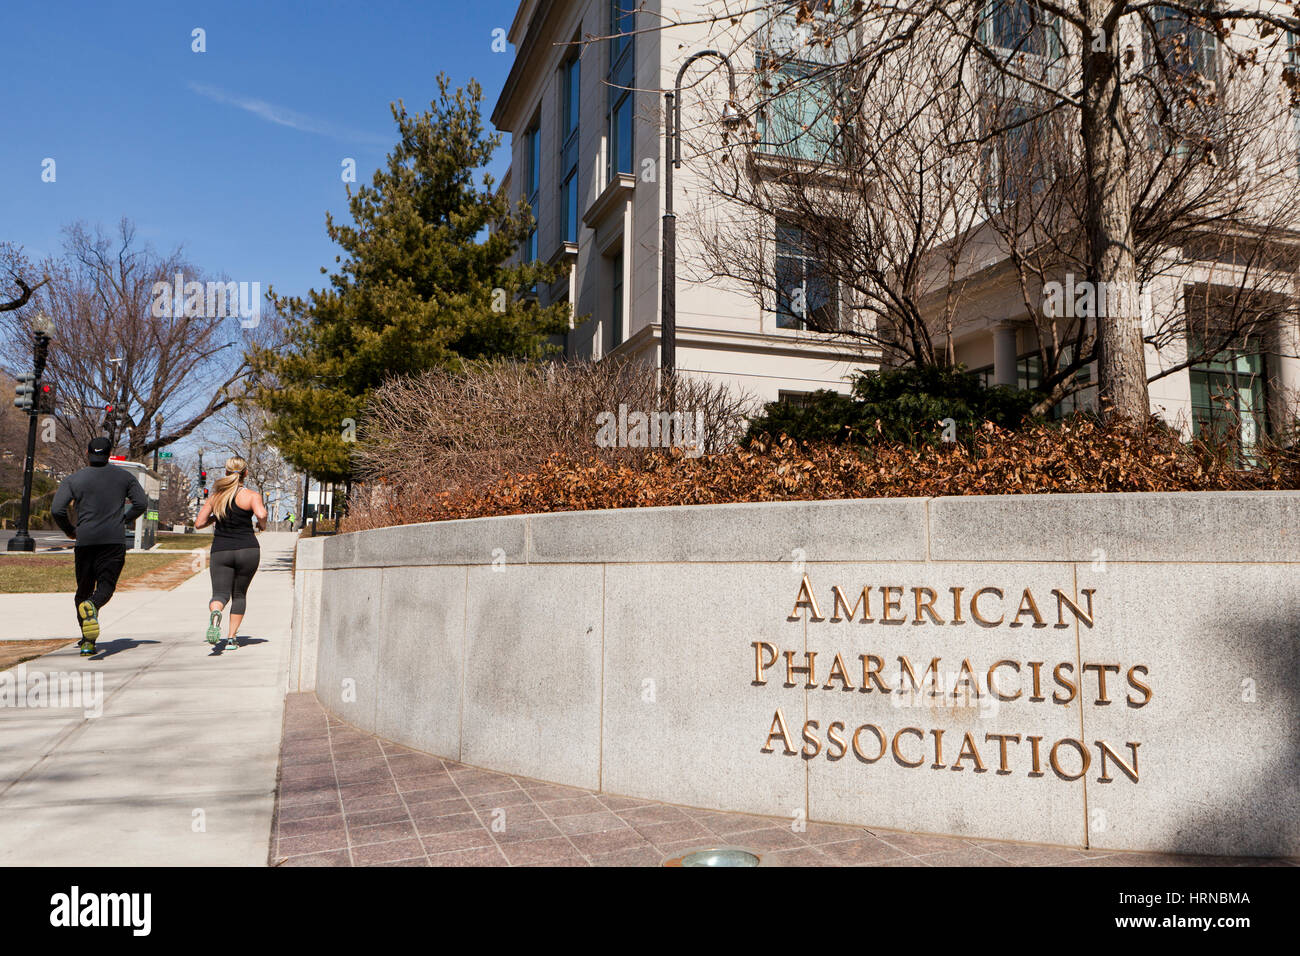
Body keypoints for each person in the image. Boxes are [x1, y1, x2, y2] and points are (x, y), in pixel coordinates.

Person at [51, 437, 149, 656]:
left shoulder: (74, 479)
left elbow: (57, 509)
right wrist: (124, 519)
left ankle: (88, 641)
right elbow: (141, 503)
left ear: (87, 453)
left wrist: (69, 529)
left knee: (83, 590)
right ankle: (94, 605)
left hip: (85, 541)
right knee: (106, 585)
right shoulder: (124, 477)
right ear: (109, 453)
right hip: (113, 541)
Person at [194, 456, 267, 650]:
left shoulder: (216, 497)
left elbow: (199, 523)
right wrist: (261, 525)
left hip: (221, 550)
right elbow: (261, 514)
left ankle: (216, 611)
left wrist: (214, 518)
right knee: (239, 594)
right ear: (246, 473)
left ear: (226, 472)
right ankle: (232, 638)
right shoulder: (252, 496)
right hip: (248, 549)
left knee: (219, 593)